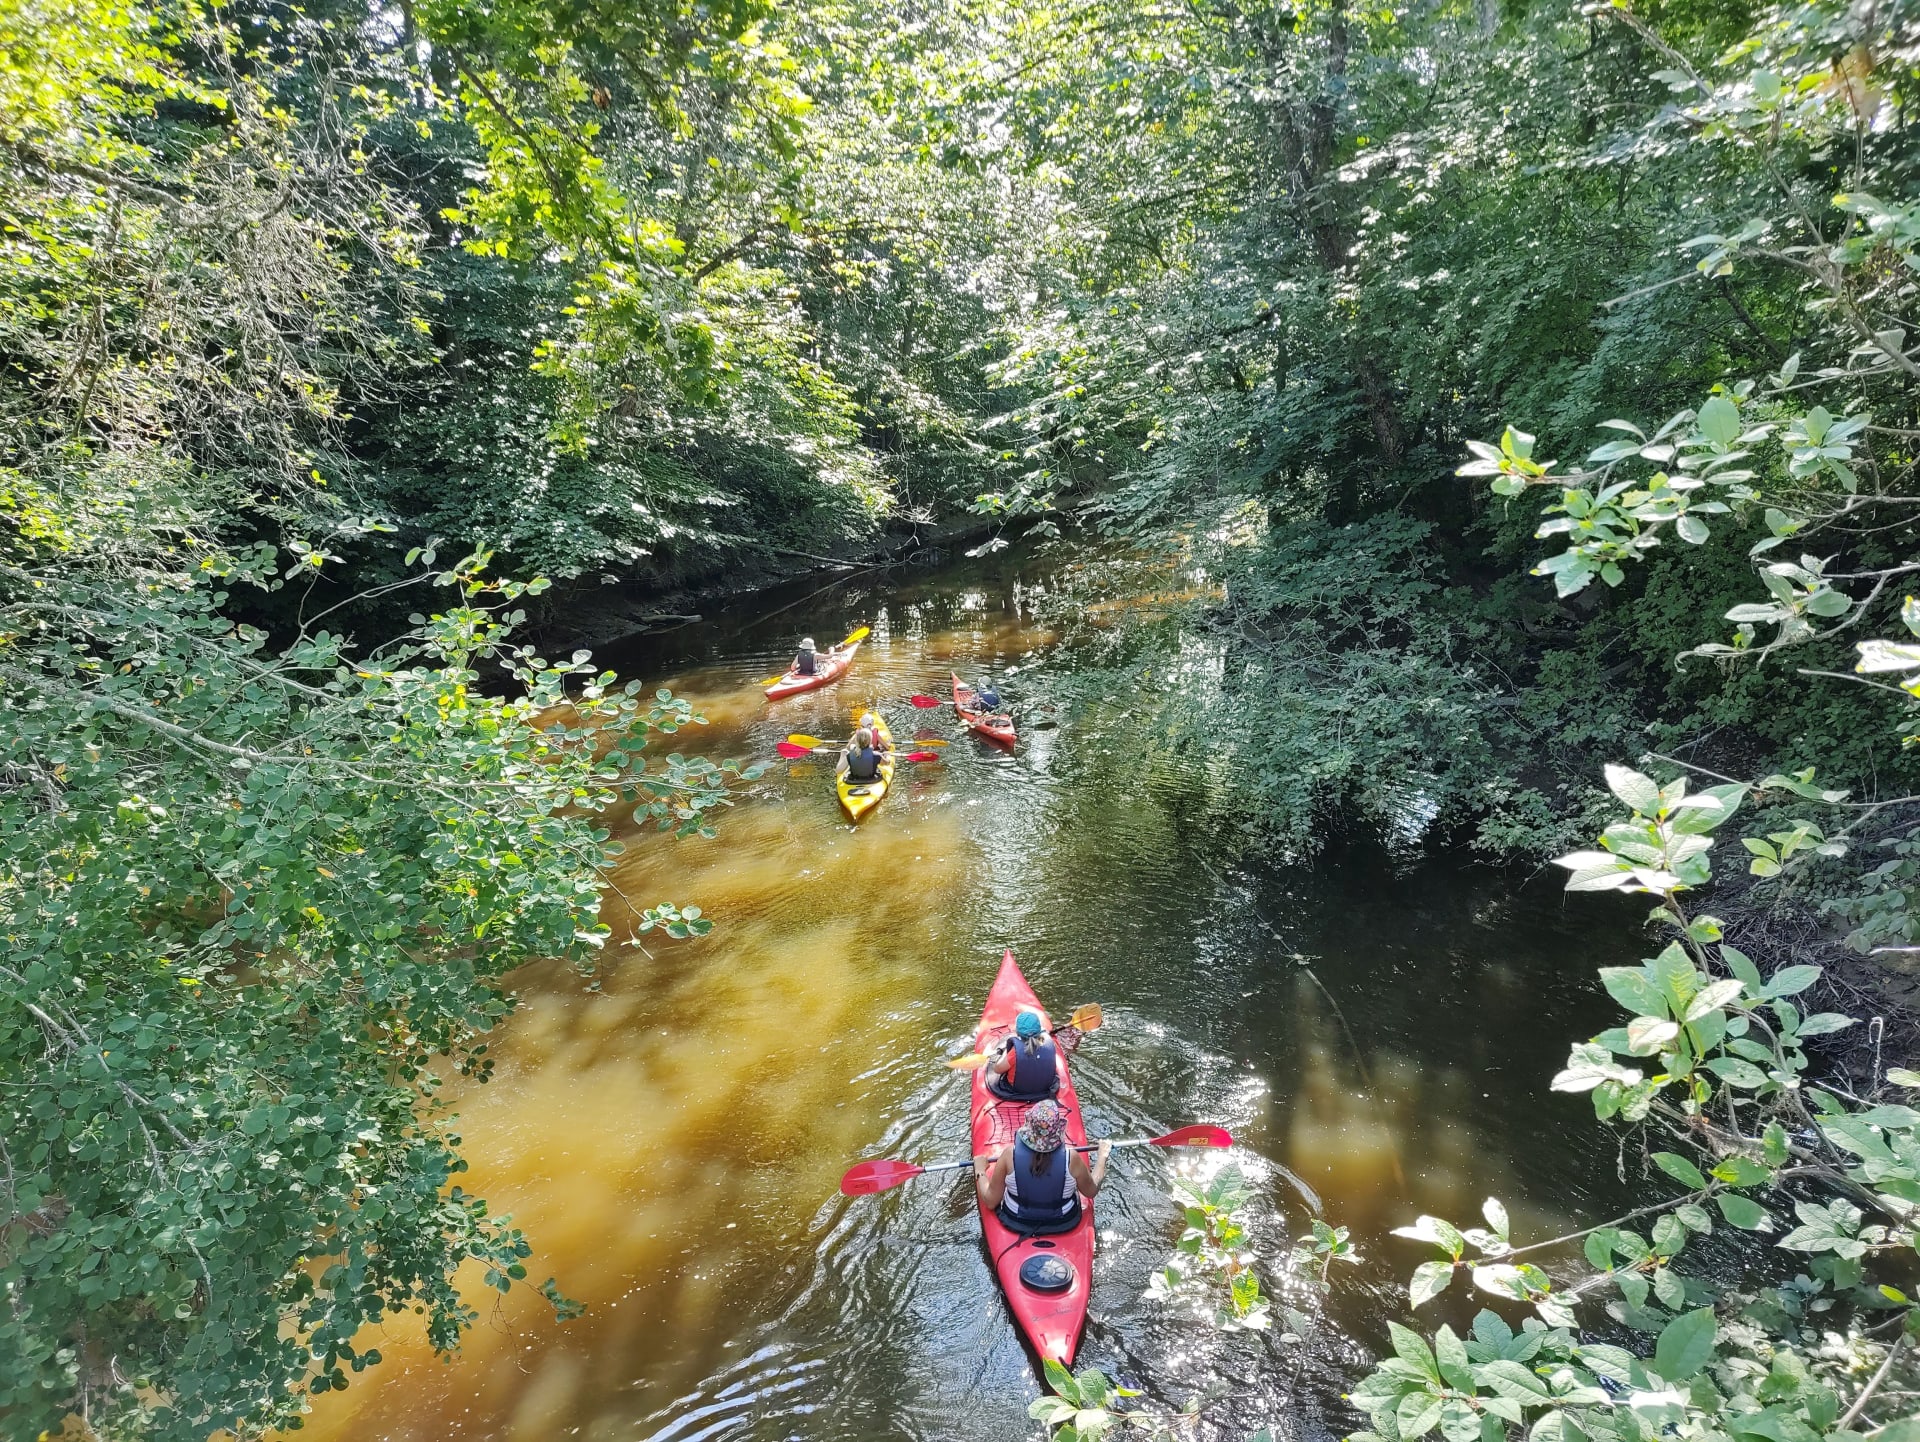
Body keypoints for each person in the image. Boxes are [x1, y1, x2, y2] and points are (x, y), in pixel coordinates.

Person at [973, 1098, 1110, 1235]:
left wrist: (980, 1171)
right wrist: (1102, 1157)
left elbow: (990, 1201)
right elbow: (1091, 1191)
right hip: (1062, 1221)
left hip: (1017, 1220)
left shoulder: (1009, 1155)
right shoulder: (1072, 1158)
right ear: (1057, 1130)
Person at [987, 1009, 1059, 1100]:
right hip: (1043, 1088)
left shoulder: (1015, 1052)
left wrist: (1006, 1051)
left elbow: (997, 1069)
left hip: (1017, 1090)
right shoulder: (1049, 1044)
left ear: (1017, 1032)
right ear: (1039, 1030)